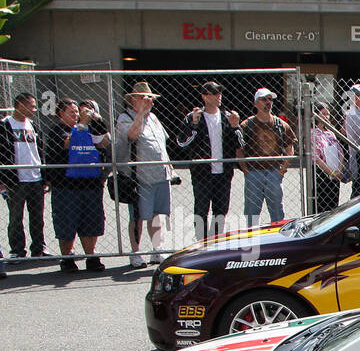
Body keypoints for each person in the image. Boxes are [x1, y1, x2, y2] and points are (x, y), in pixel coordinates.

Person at [44, 97, 108, 272]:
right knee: (67, 222)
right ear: (61, 113)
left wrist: (97, 120)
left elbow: (103, 141)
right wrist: (80, 126)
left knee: (91, 222)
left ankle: (91, 256)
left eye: (77, 112)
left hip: (91, 184)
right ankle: (67, 258)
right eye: (71, 112)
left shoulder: (89, 127)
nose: (76, 114)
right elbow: (68, 144)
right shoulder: (57, 130)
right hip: (66, 186)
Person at [174, 80, 242, 241]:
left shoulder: (227, 116)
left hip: (223, 173)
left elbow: (239, 144)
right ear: (204, 96)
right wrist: (194, 126)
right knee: (201, 210)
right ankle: (201, 244)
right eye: (214, 93)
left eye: (220, 92)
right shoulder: (193, 117)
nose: (219, 96)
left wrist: (235, 126)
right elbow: (181, 143)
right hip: (202, 173)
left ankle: (216, 242)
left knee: (221, 210)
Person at [115, 81, 172, 267]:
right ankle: (136, 252)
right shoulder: (125, 118)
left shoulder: (154, 117)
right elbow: (131, 136)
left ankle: (157, 250)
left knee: (157, 215)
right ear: (133, 100)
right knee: (138, 216)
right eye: (144, 98)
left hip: (160, 175)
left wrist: (169, 165)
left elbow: (162, 143)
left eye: (151, 99)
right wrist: (140, 113)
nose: (149, 102)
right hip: (139, 177)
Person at [237, 88, 297, 224]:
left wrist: (282, 171)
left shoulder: (281, 124)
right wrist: (245, 170)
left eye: (270, 99)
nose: (268, 102)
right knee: (252, 213)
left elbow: (290, 149)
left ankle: (278, 241)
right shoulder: (247, 125)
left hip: (274, 172)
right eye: (264, 99)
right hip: (254, 173)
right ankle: (252, 242)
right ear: (256, 103)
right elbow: (239, 149)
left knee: (277, 213)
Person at [2, 92, 46, 264]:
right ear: (20, 105)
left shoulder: (33, 125)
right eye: (32, 105)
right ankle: (17, 251)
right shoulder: (5, 125)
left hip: (35, 177)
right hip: (16, 179)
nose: (34, 109)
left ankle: (39, 248)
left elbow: (39, 149)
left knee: (37, 216)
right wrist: (3, 180)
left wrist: (44, 176)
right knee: (15, 217)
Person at [310, 103, 345, 212]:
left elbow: (340, 151)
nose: (326, 117)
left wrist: (339, 169)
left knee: (333, 205)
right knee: (322, 205)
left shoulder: (330, 133)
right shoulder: (313, 133)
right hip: (322, 174)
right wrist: (331, 172)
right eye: (323, 114)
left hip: (335, 172)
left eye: (328, 114)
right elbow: (316, 157)